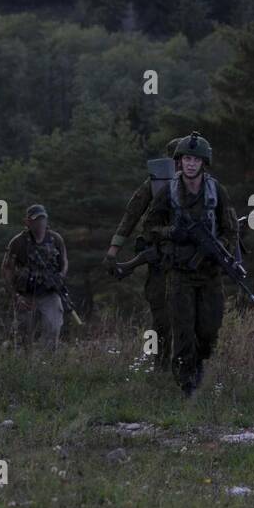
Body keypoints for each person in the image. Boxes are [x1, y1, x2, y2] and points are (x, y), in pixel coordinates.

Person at [141, 132, 239, 396]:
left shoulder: (216, 191)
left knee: (208, 332)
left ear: (203, 162)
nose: (191, 164)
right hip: (180, 274)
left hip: (209, 274)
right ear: (180, 162)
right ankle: (187, 385)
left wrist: (220, 250)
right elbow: (149, 227)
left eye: (196, 159)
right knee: (183, 332)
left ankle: (198, 366)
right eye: (186, 159)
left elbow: (230, 230)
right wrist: (172, 232)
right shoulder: (168, 192)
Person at [104, 139, 182, 367]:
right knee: (161, 315)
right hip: (161, 259)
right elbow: (131, 214)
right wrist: (113, 250)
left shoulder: (202, 185)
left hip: (188, 260)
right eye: (178, 158)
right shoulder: (155, 184)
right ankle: (159, 363)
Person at [2, 204, 69, 350]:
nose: (40, 223)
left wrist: (61, 276)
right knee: (22, 337)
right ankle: (20, 366)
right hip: (26, 295)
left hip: (50, 293)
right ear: (27, 222)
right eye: (36, 219)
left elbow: (64, 261)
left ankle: (46, 365)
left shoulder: (55, 239)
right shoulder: (18, 242)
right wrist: (15, 296)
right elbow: (7, 268)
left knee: (53, 330)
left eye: (42, 219)